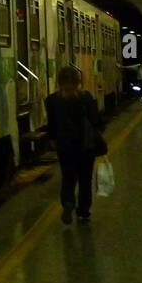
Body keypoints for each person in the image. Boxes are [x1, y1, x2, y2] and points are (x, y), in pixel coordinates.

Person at [44, 65, 105, 225]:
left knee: (68, 177)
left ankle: (68, 202)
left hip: (65, 146)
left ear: (59, 81)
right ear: (79, 82)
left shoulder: (52, 100)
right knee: (85, 179)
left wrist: (53, 140)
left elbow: (51, 125)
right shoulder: (86, 98)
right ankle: (83, 212)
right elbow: (96, 121)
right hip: (86, 147)